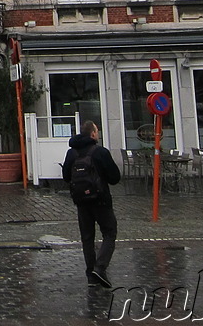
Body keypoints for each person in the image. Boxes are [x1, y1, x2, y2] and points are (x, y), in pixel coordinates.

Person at [62, 121, 122, 288]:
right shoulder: (100, 152)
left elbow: (66, 176)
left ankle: (91, 276)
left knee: (87, 238)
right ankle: (100, 267)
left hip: (81, 201)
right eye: (97, 131)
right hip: (101, 200)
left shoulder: (71, 153)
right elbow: (115, 178)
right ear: (93, 134)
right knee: (110, 232)